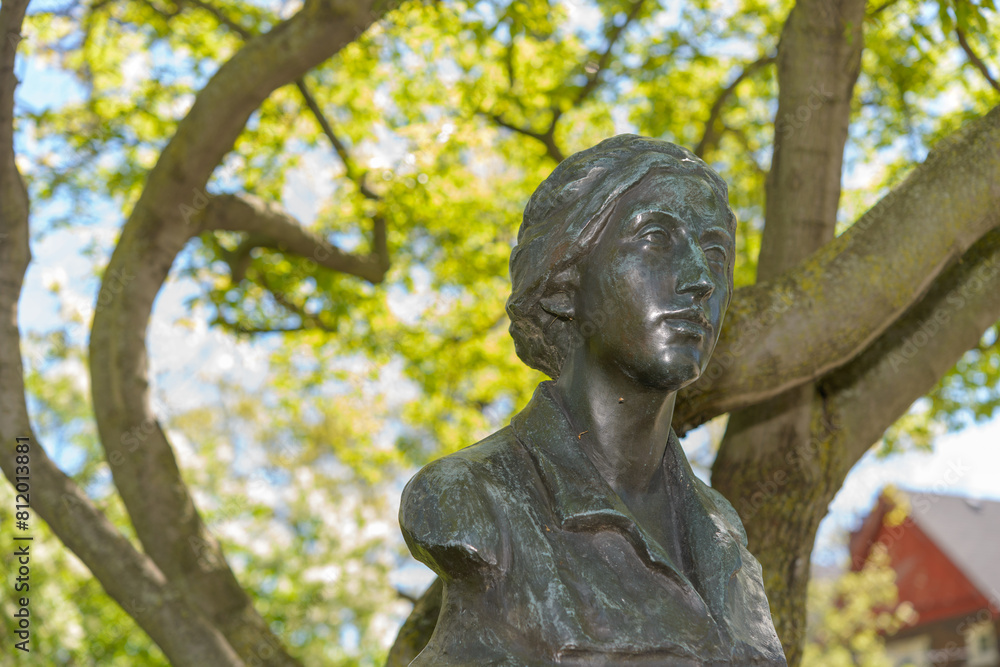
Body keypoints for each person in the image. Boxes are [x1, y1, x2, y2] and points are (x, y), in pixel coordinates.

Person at [399, 135, 787, 666]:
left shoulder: (723, 534)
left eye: (715, 253)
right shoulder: (471, 498)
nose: (701, 279)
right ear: (565, 282)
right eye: (656, 238)